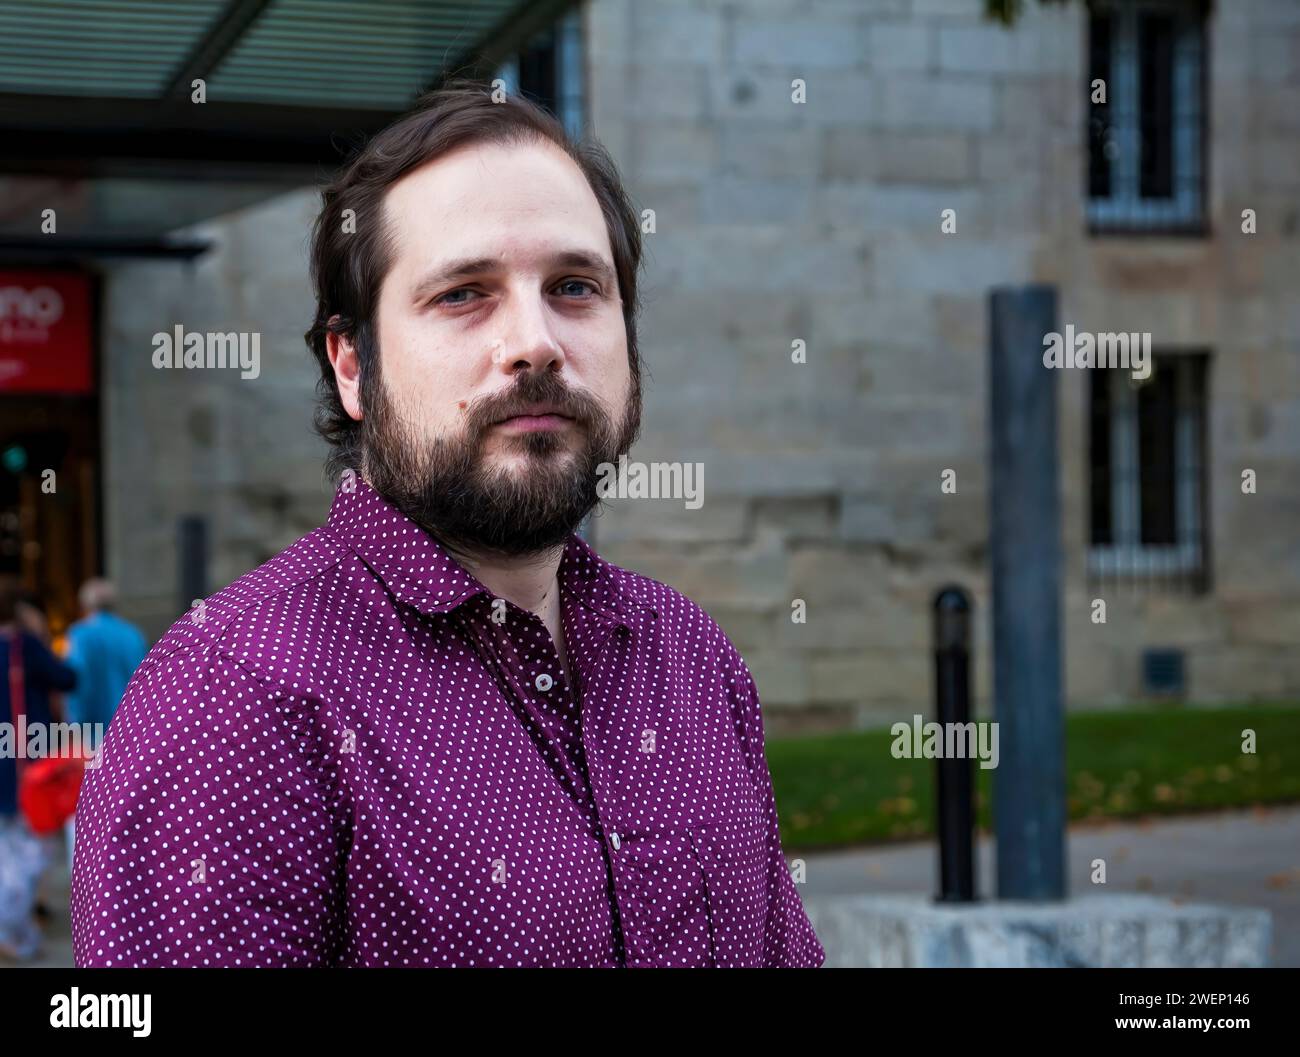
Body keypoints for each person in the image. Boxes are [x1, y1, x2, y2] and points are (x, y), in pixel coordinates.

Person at [70, 80, 825, 968]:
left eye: (576, 286)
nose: (535, 341)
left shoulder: (691, 661)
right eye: (465, 293)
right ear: (353, 366)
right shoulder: (234, 703)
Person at [0, 577, 77, 962]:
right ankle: (12, 929)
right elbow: (66, 678)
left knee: (8, 853)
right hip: (23, 766)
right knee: (31, 855)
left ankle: (18, 932)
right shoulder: (23, 646)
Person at [61, 578, 148, 875]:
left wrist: (71, 729)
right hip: (130, 731)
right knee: (122, 803)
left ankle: (87, 873)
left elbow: (76, 684)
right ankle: (121, 867)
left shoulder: (79, 635)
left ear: (86, 604)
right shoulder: (132, 635)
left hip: (90, 731)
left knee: (84, 807)